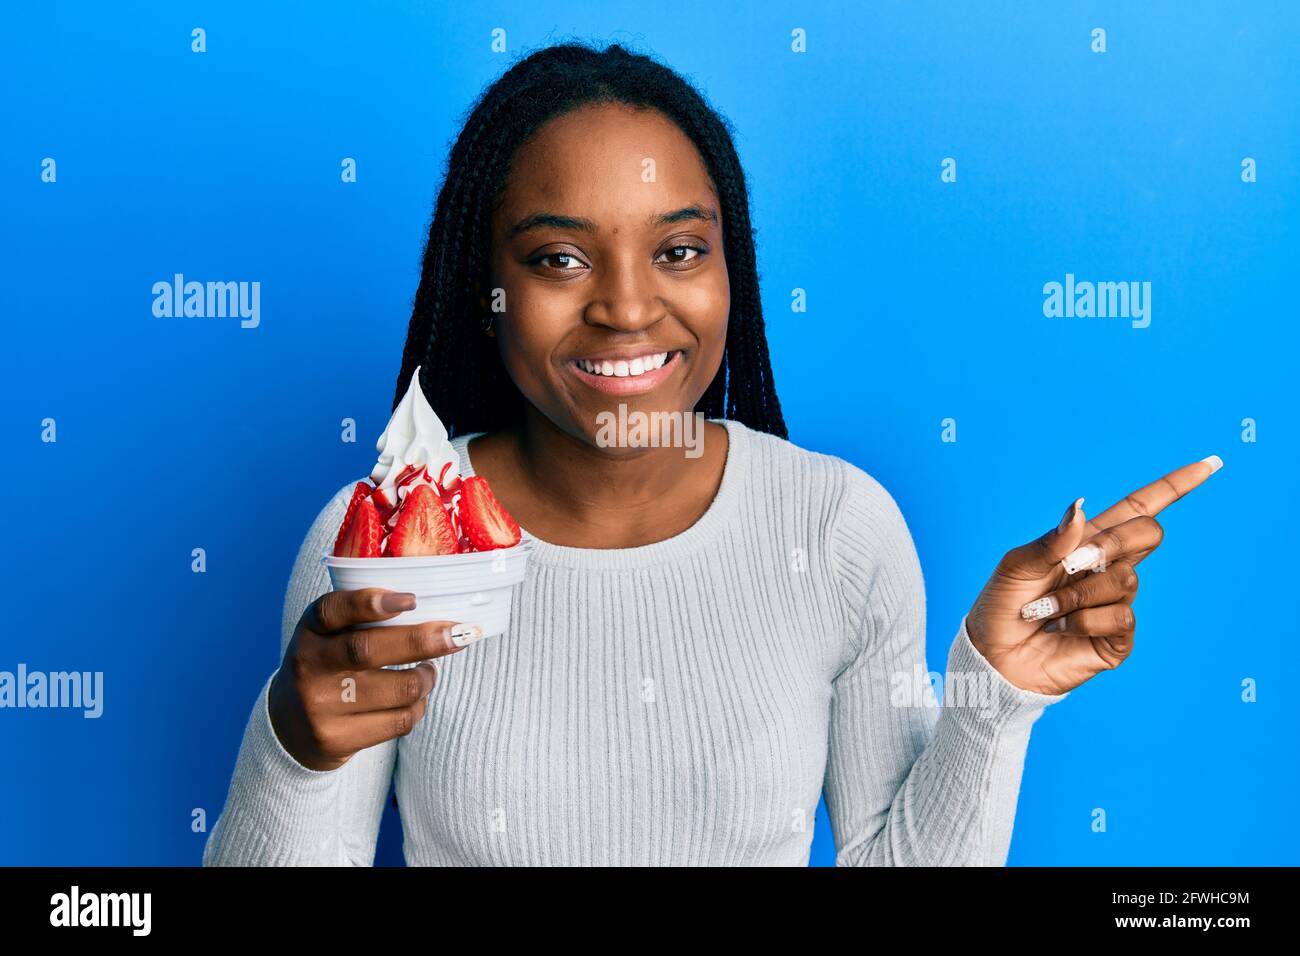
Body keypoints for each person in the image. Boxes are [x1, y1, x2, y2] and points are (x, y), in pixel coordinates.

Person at [202, 41, 1219, 866]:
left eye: (678, 250)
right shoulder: (378, 541)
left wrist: (993, 694)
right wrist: (293, 744)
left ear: (732, 270)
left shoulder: (836, 527)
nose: (629, 307)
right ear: (487, 288)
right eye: (558, 258)